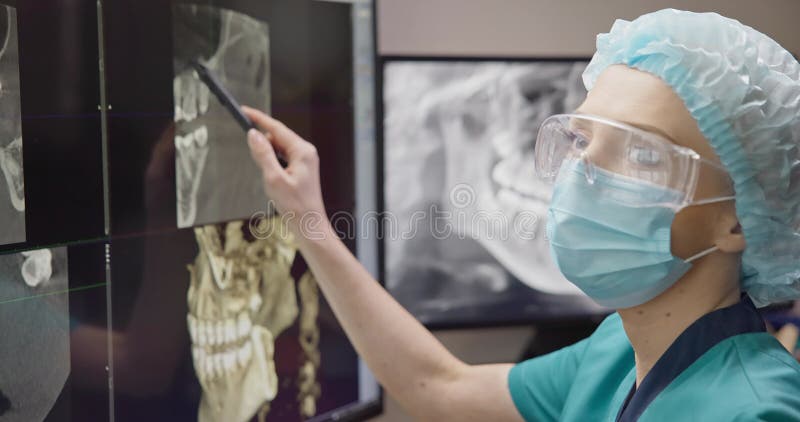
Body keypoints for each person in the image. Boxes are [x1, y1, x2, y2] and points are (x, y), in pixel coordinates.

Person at [243, 9, 800, 421]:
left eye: (643, 154)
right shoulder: (616, 355)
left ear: (740, 220)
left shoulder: (754, 412)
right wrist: (308, 221)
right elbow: (436, 387)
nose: (583, 174)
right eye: (580, 139)